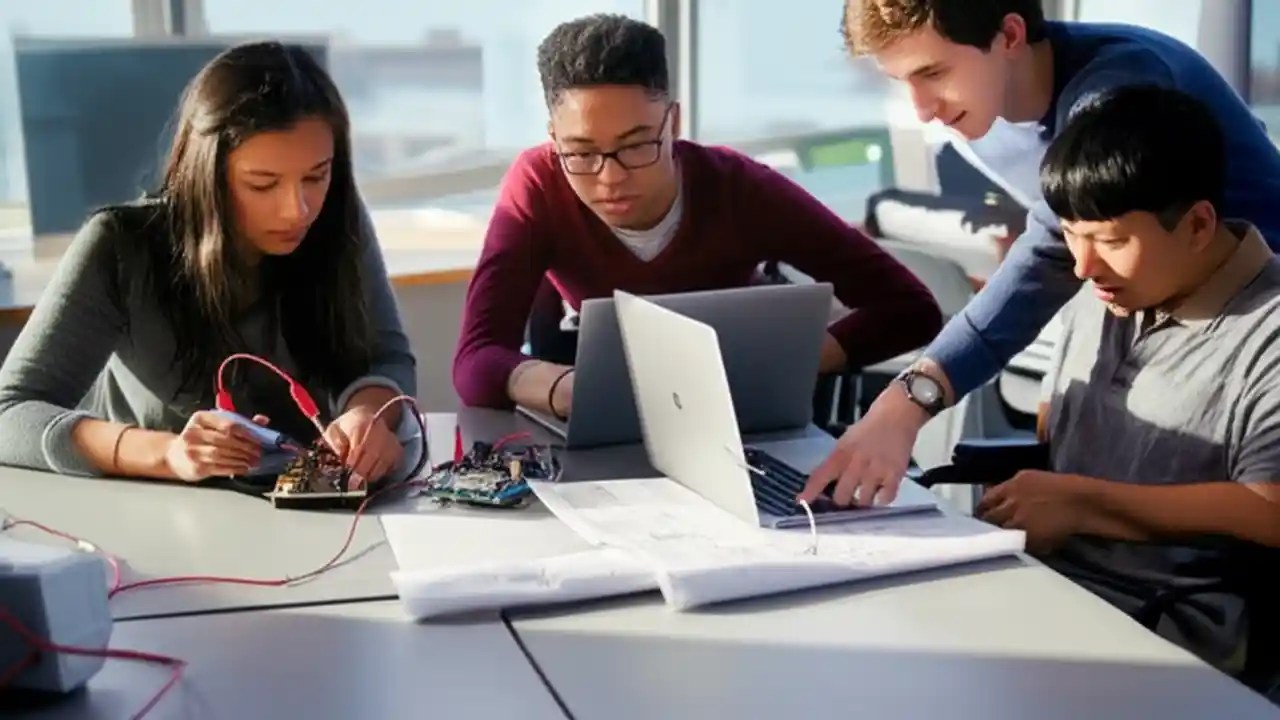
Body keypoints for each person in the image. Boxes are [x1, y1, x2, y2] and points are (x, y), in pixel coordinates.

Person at [803, 0, 1280, 508]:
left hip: (1241, 330)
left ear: (1009, 37)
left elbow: (1050, 248)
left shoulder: (1117, 88)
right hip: (1142, 307)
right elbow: (1065, 238)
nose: (922, 109)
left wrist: (902, 407)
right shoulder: (981, 106)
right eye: (903, 82)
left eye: (934, 72)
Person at [452, 13, 943, 414]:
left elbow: (910, 309)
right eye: (580, 153)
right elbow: (475, 361)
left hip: (736, 420)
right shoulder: (539, 179)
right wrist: (571, 391)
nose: (609, 178)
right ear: (553, 138)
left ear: (674, 123)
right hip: (593, 418)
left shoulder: (739, 188)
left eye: (636, 145)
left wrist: (776, 366)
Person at [0, 41, 418, 488]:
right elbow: (10, 414)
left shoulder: (338, 218)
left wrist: (368, 414)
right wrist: (168, 453)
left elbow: (387, 358)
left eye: (316, 176)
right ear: (208, 176)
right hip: (148, 523)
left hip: (307, 516)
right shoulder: (121, 247)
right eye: (263, 184)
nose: (298, 209)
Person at [983, 85, 1278, 671]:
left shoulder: (1268, 329)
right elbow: (1053, 437)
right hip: (1046, 588)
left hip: (1168, 625)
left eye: (1112, 240)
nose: (1084, 265)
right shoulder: (1099, 292)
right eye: (1071, 234)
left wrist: (1086, 505)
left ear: (1197, 225)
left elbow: (1271, 507)